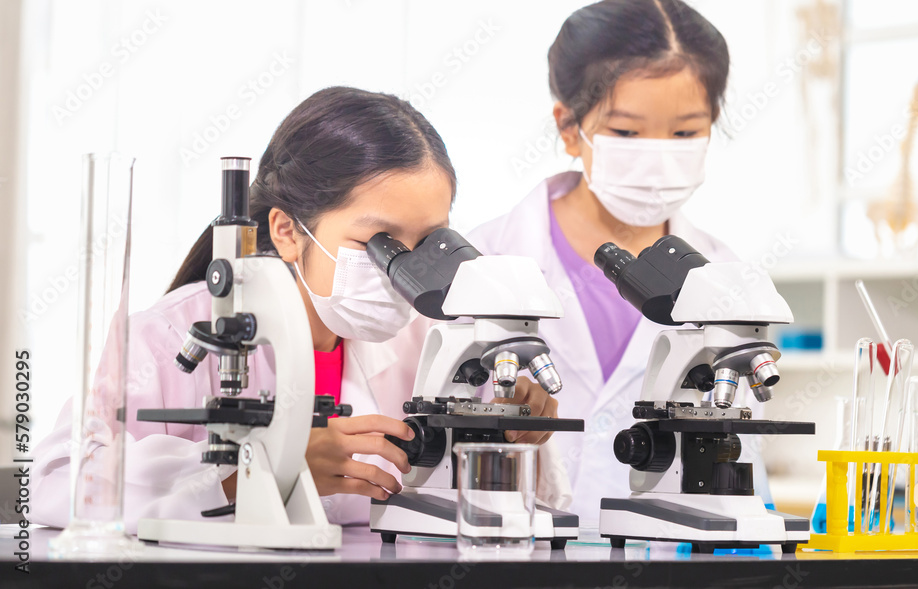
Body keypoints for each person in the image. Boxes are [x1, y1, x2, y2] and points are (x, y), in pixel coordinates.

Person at [31, 86, 560, 531]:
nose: (405, 271)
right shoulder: (171, 335)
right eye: (380, 241)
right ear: (288, 231)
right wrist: (262, 471)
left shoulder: (429, 341)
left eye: (426, 243)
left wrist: (515, 432)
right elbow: (61, 482)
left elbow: (494, 507)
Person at [467, 0, 773, 524]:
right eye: (627, 132)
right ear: (569, 127)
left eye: (684, 132)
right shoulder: (486, 261)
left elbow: (742, 452)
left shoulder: (729, 277)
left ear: (713, 122)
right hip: (516, 556)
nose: (656, 154)